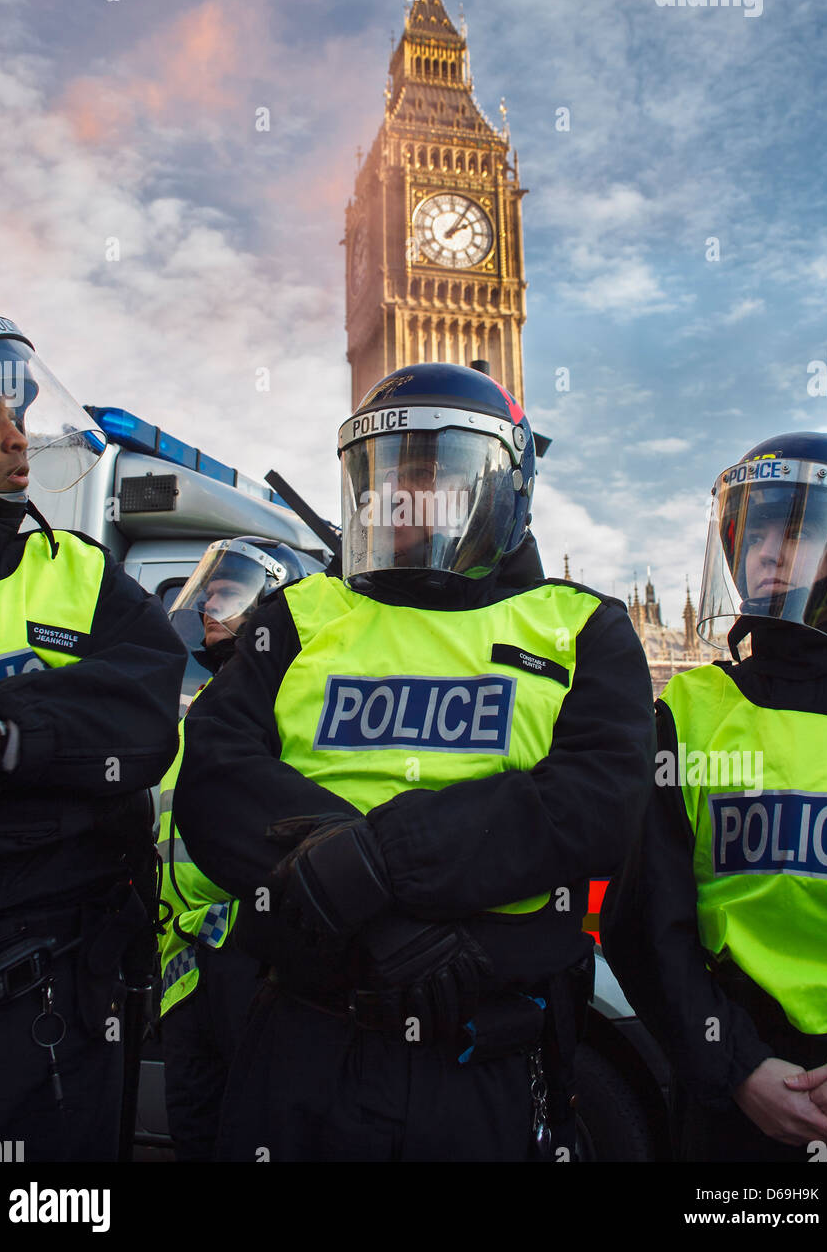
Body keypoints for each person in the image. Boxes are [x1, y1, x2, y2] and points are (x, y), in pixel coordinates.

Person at [174, 362, 655, 1162]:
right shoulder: (299, 616)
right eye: (393, 473)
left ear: (503, 488)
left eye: (437, 473)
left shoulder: (581, 629)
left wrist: (372, 862)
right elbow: (218, 783)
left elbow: (593, 806)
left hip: (487, 1052)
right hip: (303, 1039)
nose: (408, 494)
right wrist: (385, 925)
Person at [602, 431, 827, 1161]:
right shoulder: (690, 712)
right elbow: (648, 922)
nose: (769, 551)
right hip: (738, 1103)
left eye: (798, 531)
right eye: (753, 533)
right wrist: (738, 1069)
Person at [0, 311, 186, 1162]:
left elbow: (141, 719)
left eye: (19, 416)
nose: (19, 440)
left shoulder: (80, 573)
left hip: (53, 985)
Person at [158, 537, 307, 1161]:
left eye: (228, 592)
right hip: (185, 969)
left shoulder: (292, 697)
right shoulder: (204, 706)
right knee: (197, 1136)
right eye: (210, 591)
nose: (211, 605)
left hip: (255, 962)